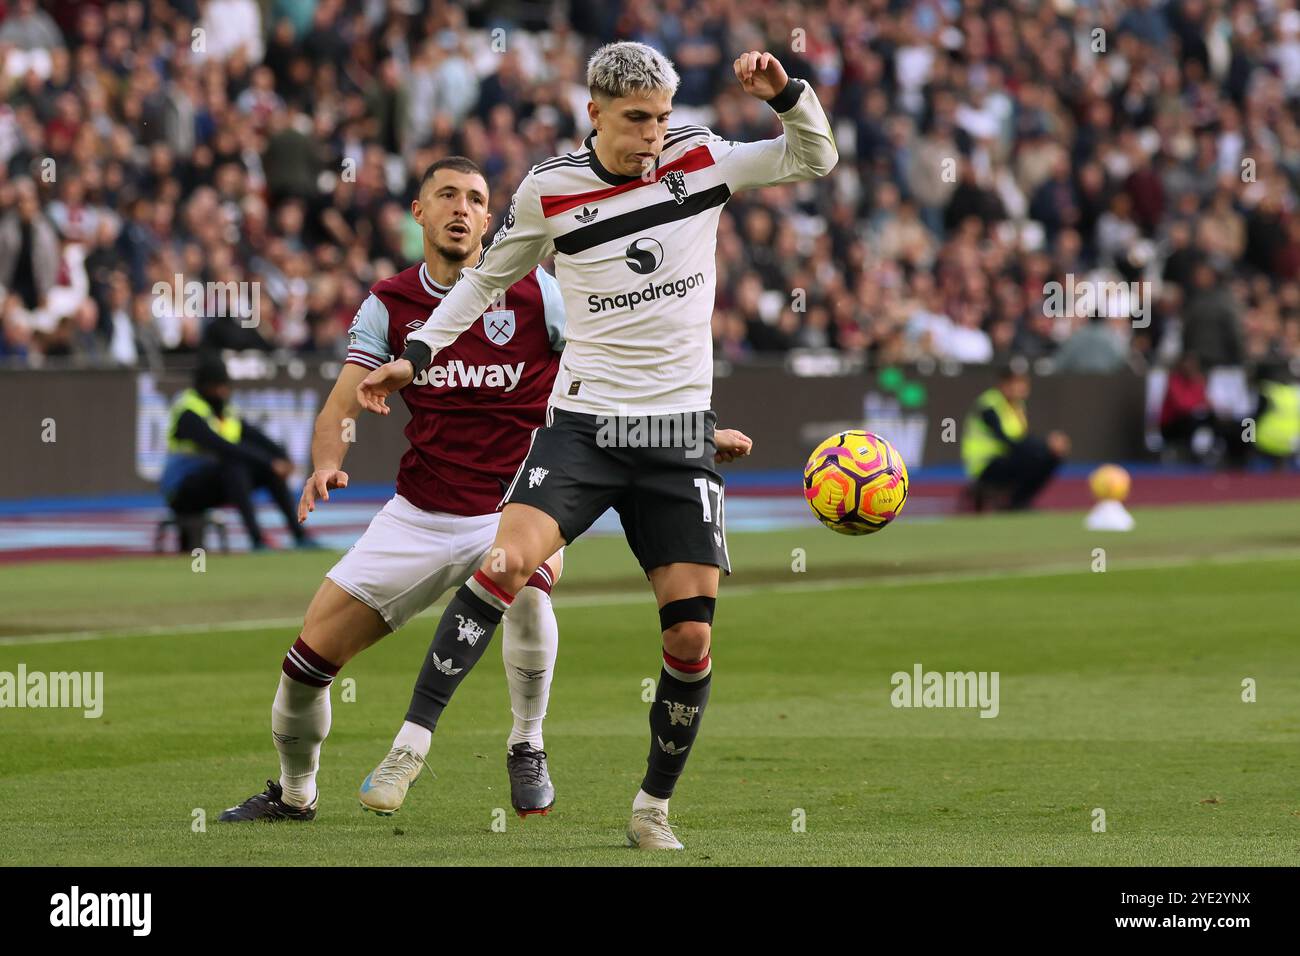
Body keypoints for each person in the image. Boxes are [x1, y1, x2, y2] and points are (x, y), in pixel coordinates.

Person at [356, 43, 833, 849]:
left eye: (660, 116)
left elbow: (813, 156)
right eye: (636, 118)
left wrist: (784, 91)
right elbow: (482, 280)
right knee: (504, 565)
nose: (652, 135)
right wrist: (423, 353)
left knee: (689, 637)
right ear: (595, 113)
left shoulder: (702, 157)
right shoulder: (550, 190)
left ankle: (652, 808)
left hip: (678, 432)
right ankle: (409, 748)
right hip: (582, 424)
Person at [214, 154, 757, 823]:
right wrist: (326, 462)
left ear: (490, 217)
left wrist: (688, 436)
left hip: (523, 502)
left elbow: (624, 363)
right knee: (304, 666)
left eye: (475, 197)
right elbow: (339, 408)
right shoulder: (389, 305)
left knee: (526, 583)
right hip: (418, 514)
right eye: (446, 195)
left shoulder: (540, 292)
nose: (462, 208)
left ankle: (526, 744)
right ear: (419, 212)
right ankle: (295, 795)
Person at [160, 358, 314, 551]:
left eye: (225, 385)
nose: (224, 391)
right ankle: (257, 540)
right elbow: (223, 447)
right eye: (218, 385)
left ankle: (300, 536)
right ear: (205, 386)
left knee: (267, 472)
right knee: (235, 467)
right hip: (182, 488)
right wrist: (270, 462)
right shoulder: (188, 411)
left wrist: (282, 457)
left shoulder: (225, 410)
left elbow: (255, 436)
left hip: (214, 481)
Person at [961, 366, 1070, 510]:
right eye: (1018, 383)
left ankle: (1018, 502)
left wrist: (1048, 446)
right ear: (1004, 385)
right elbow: (1006, 440)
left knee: (1051, 457)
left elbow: (1022, 438)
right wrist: (1045, 444)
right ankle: (986, 493)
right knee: (1037, 455)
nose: (1023, 388)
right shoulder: (989, 405)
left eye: (1024, 384)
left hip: (1006, 458)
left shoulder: (1018, 405)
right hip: (985, 464)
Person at [1252, 363, 1300, 468]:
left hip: (1265, 442)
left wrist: (1247, 439)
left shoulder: (1267, 391)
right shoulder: (1294, 393)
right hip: (1290, 444)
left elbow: (1251, 417)